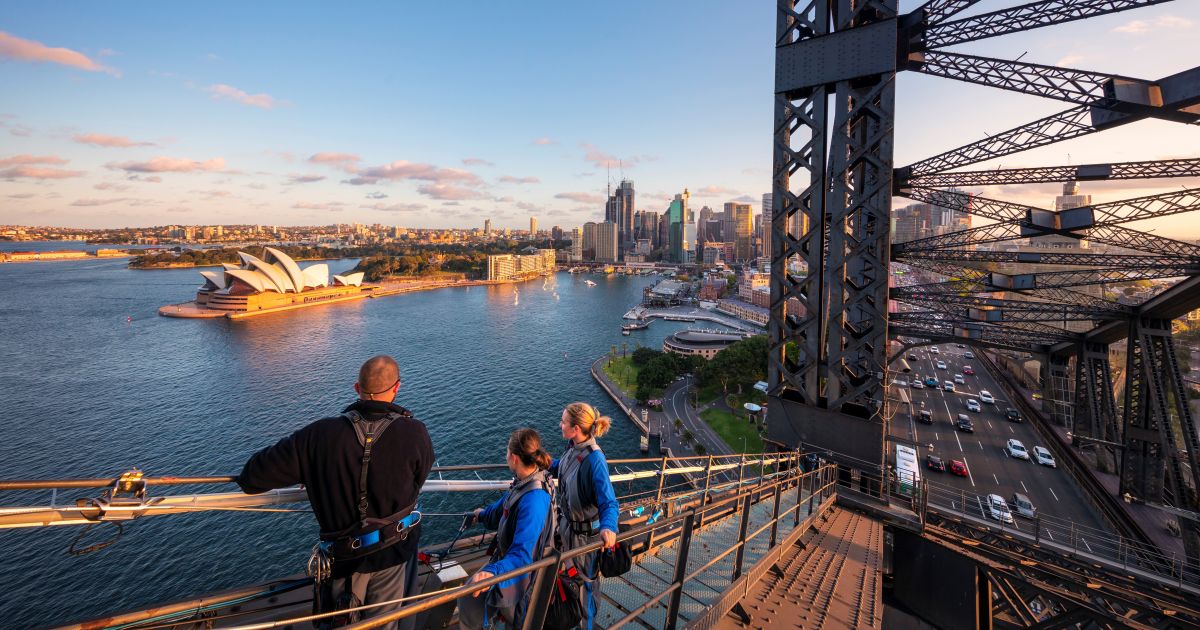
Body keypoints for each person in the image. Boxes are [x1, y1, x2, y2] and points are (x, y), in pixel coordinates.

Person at [236, 355, 434, 628]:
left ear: (356, 388)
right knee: (385, 622)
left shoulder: (318, 435)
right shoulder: (415, 433)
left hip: (343, 560)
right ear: (397, 387)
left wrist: (312, 470)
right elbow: (418, 481)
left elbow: (252, 478)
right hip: (393, 553)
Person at [458, 428, 555, 629]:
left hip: (523, 575)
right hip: (510, 564)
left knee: (474, 602)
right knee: (472, 601)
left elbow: (523, 555)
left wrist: (493, 572)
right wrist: (482, 515)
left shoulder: (534, 499)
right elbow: (503, 507)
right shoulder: (525, 482)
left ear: (514, 458)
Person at [552, 402, 620, 630]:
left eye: (563, 422)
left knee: (586, 588)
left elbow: (609, 502)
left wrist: (609, 527)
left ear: (576, 429)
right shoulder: (573, 447)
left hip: (585, 541)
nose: (560, 425)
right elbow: (563, 468)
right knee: (571, 583)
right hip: (568, 533)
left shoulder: (595, 460)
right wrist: (542, 461)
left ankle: (587, 626)